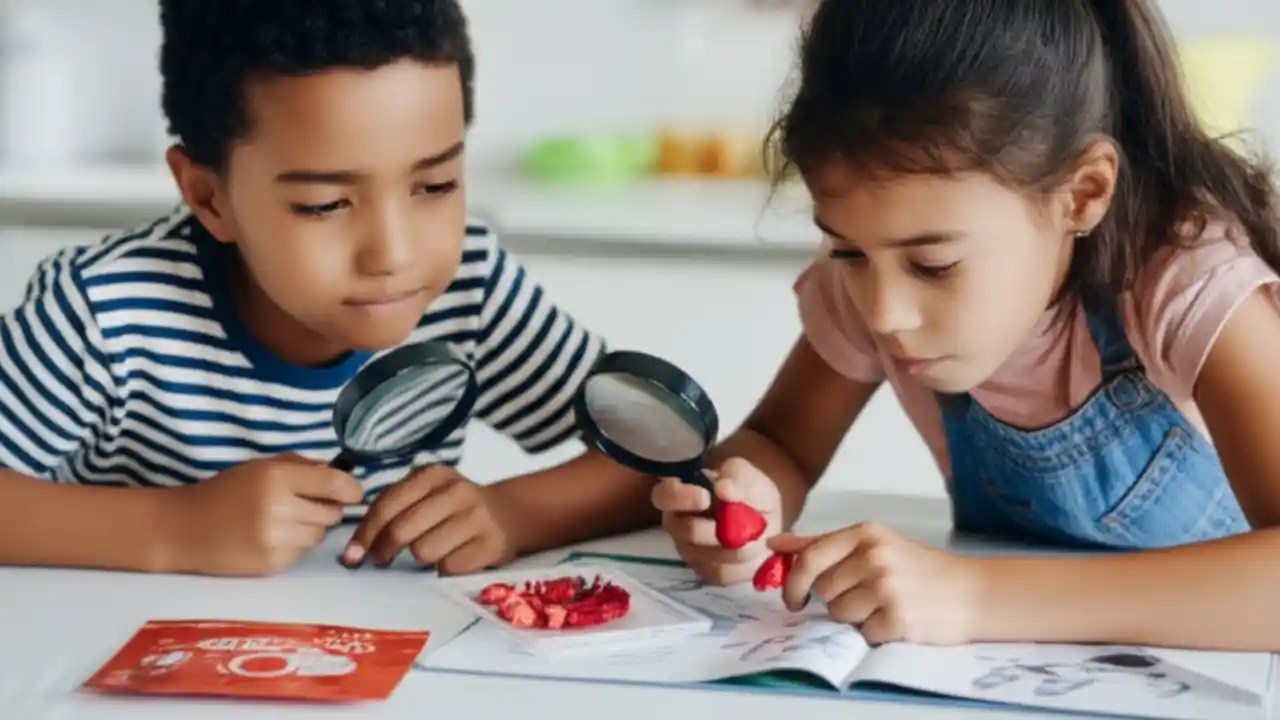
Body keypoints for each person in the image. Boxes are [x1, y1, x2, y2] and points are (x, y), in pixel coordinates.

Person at [654, 0, 1280, 651]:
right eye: (847, 253)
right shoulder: (878, 268)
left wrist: (973, 596)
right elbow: (778, 442)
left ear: (1083, 193)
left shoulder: (1185, 282)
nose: (883, 313)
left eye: (935, 264)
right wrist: (746, 498)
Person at [0, 0, 656, 576]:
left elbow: (660, 451)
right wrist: (178, 529)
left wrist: (513, 514)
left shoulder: (471, 288)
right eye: (323, 204)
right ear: (209, 196)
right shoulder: (103, 312)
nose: (394, 254)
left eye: (435, 186)